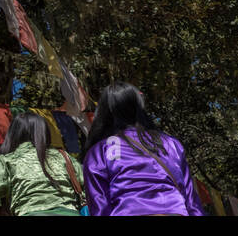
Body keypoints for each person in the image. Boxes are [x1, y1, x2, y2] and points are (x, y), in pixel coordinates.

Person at [81, 82, 204, 216]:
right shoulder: (169, 143)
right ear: (139, 107)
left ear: (105, 111)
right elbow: (190, 198)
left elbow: (100, 206)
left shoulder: (100, 152)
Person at [0, 112, 86, 216]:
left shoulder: (7, 161)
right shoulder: (64, 157)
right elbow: (90, 184)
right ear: (44, 132)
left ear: (13, 134)